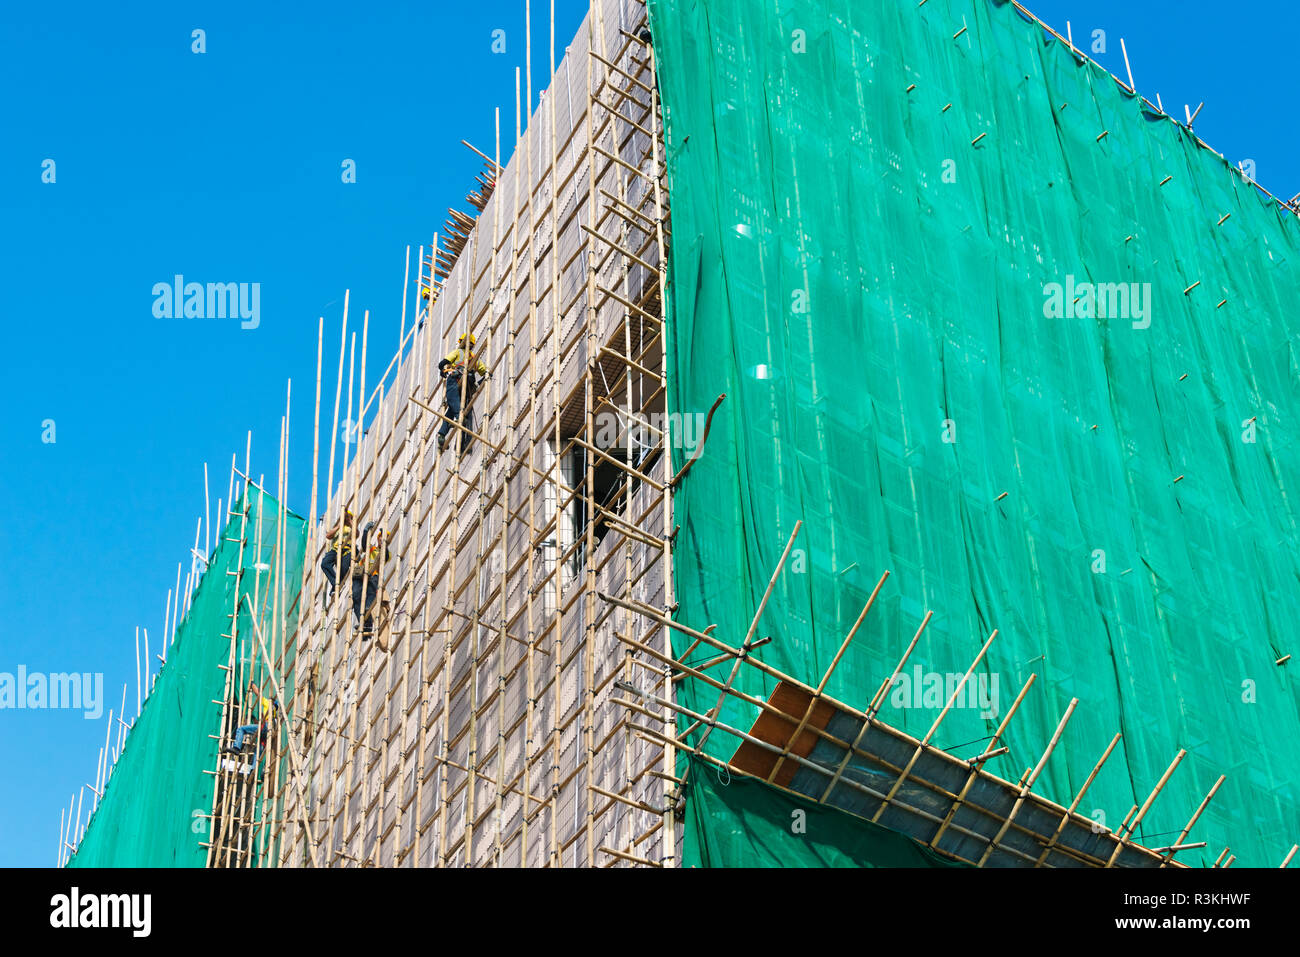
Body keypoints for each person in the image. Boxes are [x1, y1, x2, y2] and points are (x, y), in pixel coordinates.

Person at [437, 333, 490, 453]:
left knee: (452, 400)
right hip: (468, 385)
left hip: (456, 379)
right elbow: (486, 372)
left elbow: (442, 363)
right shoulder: (474, 357)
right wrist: (479, 383)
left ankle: (457, 417)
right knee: (453, 405)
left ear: (461, 342)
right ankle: (442, 433)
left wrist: (443, 370)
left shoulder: (458, 352)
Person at [223, 682, 276, 755]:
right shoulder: (274, 713)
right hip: (268, 729)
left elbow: (258, 694)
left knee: (241, 729)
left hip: (266, 726)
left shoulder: (268, 703)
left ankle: (236, 748)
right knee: (259, 748)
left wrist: (252, 684)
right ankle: (253, 766)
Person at [321, 509, 358, 599]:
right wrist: (338, 526)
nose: (345, 519)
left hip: (347, 550)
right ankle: (335, 583)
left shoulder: (351, 527)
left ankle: (335, 588)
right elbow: (328, 536)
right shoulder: (338, 527)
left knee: (343, 568)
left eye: (347, 518)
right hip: (335, 549)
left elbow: (357, 534)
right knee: (325, 563)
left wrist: (350, 521)